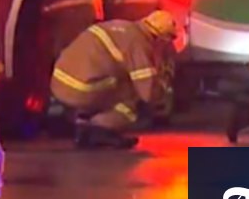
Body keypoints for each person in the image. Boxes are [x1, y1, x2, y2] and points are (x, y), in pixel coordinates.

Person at [50, 10, 179, 149]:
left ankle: (83, 120)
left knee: (115, 79)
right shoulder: (139, 44)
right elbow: (148, 93)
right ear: (159, 38)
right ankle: (100, 129)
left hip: (59, 82)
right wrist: (165, 80)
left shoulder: (122, 26)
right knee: (133, 92)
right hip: (80, 89)